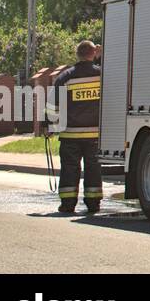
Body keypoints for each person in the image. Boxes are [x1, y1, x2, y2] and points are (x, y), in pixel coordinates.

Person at [49, 40, 103, 215]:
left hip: (70, 134)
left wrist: (48, 125)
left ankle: (68, 204)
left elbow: (53, 104)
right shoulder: (101, 75)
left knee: (70, 169)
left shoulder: (66, 77)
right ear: (93, 53)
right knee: (93, 168)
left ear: (77, 54)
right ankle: (93, 204)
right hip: (95, 134)